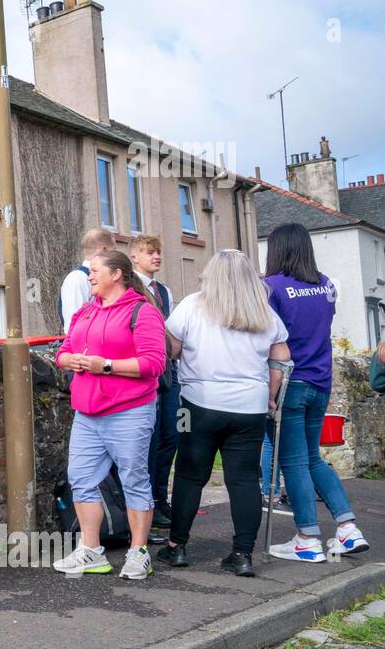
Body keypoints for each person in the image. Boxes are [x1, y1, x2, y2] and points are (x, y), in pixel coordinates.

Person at [157, 251, 290, 577]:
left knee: (190, 474)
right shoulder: (264, 314)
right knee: (244, 480)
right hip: (249, 409)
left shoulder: (191, 305)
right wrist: (271, 397)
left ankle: (177, 547)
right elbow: (282, 360)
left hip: (196, 405)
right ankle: (242, 554)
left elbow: (169, 350)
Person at [53, 251, 166, 578]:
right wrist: (69, 360)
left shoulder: (142, 312)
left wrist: (106, 365)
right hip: (87, 413)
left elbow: (153, 364)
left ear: (117, 274)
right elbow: (63, 351)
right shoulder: (85, 312)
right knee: (81, 480)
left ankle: (138, 552)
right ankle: (91, 551)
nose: (89, 276)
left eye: (95, 271)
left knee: (133, 478)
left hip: (129, 411)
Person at [264, 223, 371, 561]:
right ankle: (347, 528)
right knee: (312, 458)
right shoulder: (325, 285)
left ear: (278, 249)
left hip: (290, 382)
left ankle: (307, 538)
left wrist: (269, 393)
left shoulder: (271, 288)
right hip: (321, 382)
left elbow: (271, 342)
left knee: (293, 462)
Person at [129, 233, 178, 529]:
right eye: (149, 252)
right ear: (135, 256)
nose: (156, 257)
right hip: (144, 373)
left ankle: (161, 498)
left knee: (170, 437)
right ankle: (146, 506)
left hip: (168, 372)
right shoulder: (132, 287)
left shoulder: (164, 291)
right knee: (148, 442)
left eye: (158, 252)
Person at [58, 228, 115, 334]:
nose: (116, 256)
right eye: (114, 250)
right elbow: (74, 328)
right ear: (104, 249)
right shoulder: (77, 279)